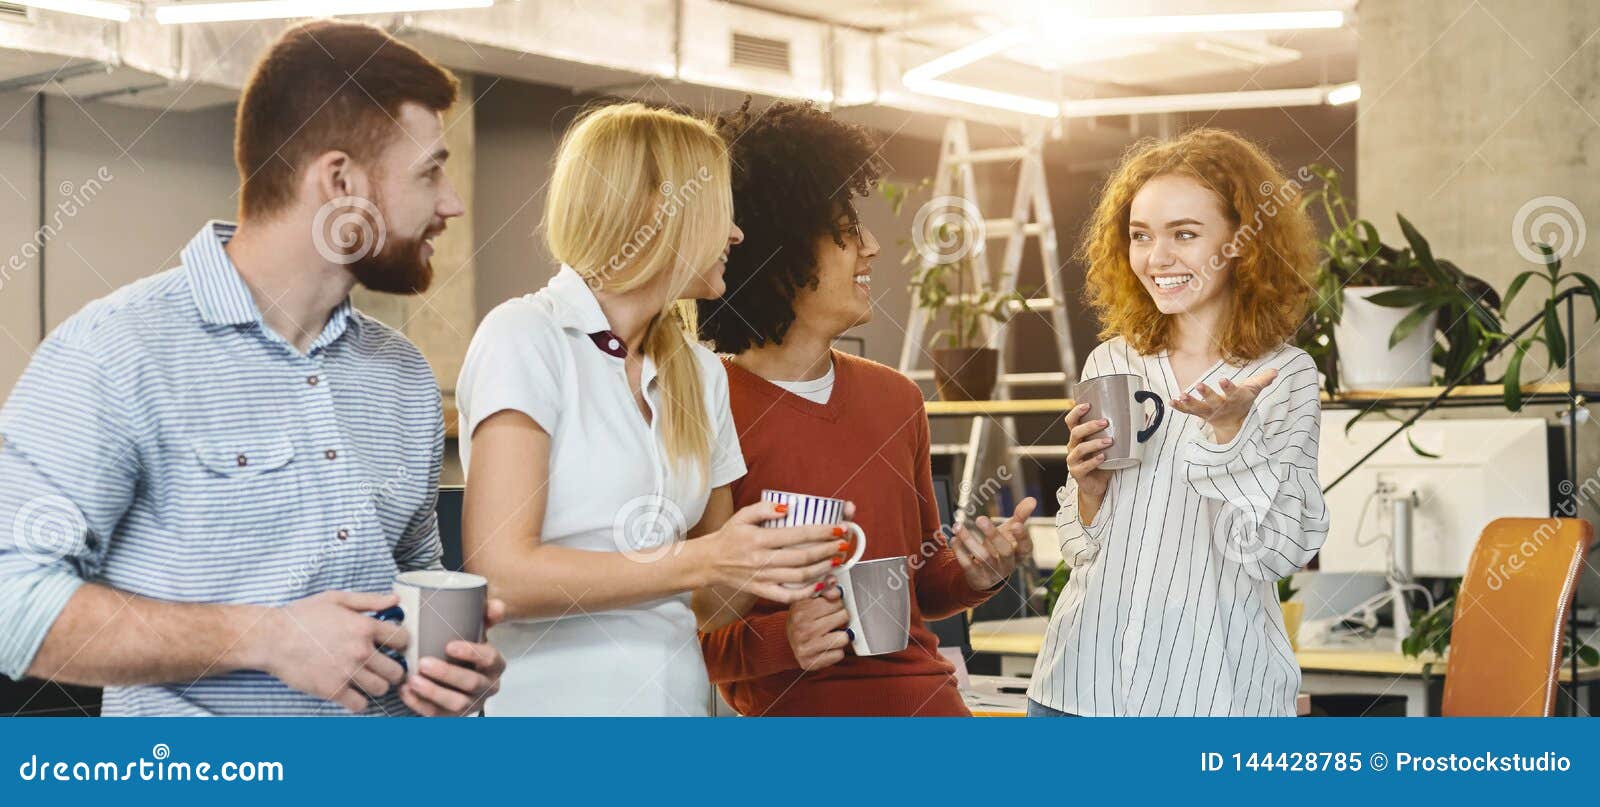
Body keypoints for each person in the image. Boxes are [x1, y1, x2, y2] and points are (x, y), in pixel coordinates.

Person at [0, 20, 504, 716]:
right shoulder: (117, 351)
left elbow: (415, 573)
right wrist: (266, 636)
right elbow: (13, 598)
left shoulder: (403, 376)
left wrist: (449, 666)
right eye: (429, 171)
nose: (450, 202)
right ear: (340, 181)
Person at [456, 102, 846, 716]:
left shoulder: (700, 373)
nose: (737, 234)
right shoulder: (526, 337)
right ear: (659, 208)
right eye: (721, 209)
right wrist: (700, 558)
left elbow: (708, 603)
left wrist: (770, 564)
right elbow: (502, 575)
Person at [695, 100, 1036, 716]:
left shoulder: (897, 399)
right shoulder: (705, 405)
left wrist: (977, 574)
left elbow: (920, 588)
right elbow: (685, 620)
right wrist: (784, 639)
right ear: (781, 256)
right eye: (847, 230)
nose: (872, 247)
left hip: (930, 710)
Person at [1028, 128, 1330, 717]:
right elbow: (1082, 550)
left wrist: (1231, 435)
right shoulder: (1111, 362)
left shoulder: (1284, 376)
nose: (1156, 258)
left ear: (1244, 242)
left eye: (1184, 235)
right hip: (1080, 691)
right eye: (1141, 236)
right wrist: (1088, 492)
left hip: (1217, 697)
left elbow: (1278, 554)